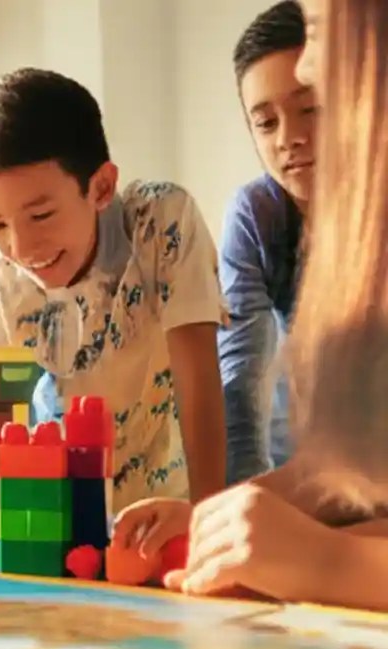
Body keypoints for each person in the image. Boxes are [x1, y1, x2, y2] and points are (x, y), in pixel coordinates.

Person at [0, 69, 227, 539]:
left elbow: (199, 382)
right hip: (55, 528)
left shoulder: (158, 223)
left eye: (41, 215)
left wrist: (206, 519)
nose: (21, 247)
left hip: (167, 517)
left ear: (101, 187)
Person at [127, 0, 388, 611]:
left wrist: (324, 559)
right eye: (264, 121)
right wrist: (224, 516)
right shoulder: (271, 216)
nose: (309, 65)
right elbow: (361, 466)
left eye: (321, 33)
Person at [220, 0, 314, 485]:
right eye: (266, 123)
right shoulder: (258, 215)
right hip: (304, 466)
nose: (289, 138)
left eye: (311, 109)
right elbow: (241, 380)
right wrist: (243, 501)